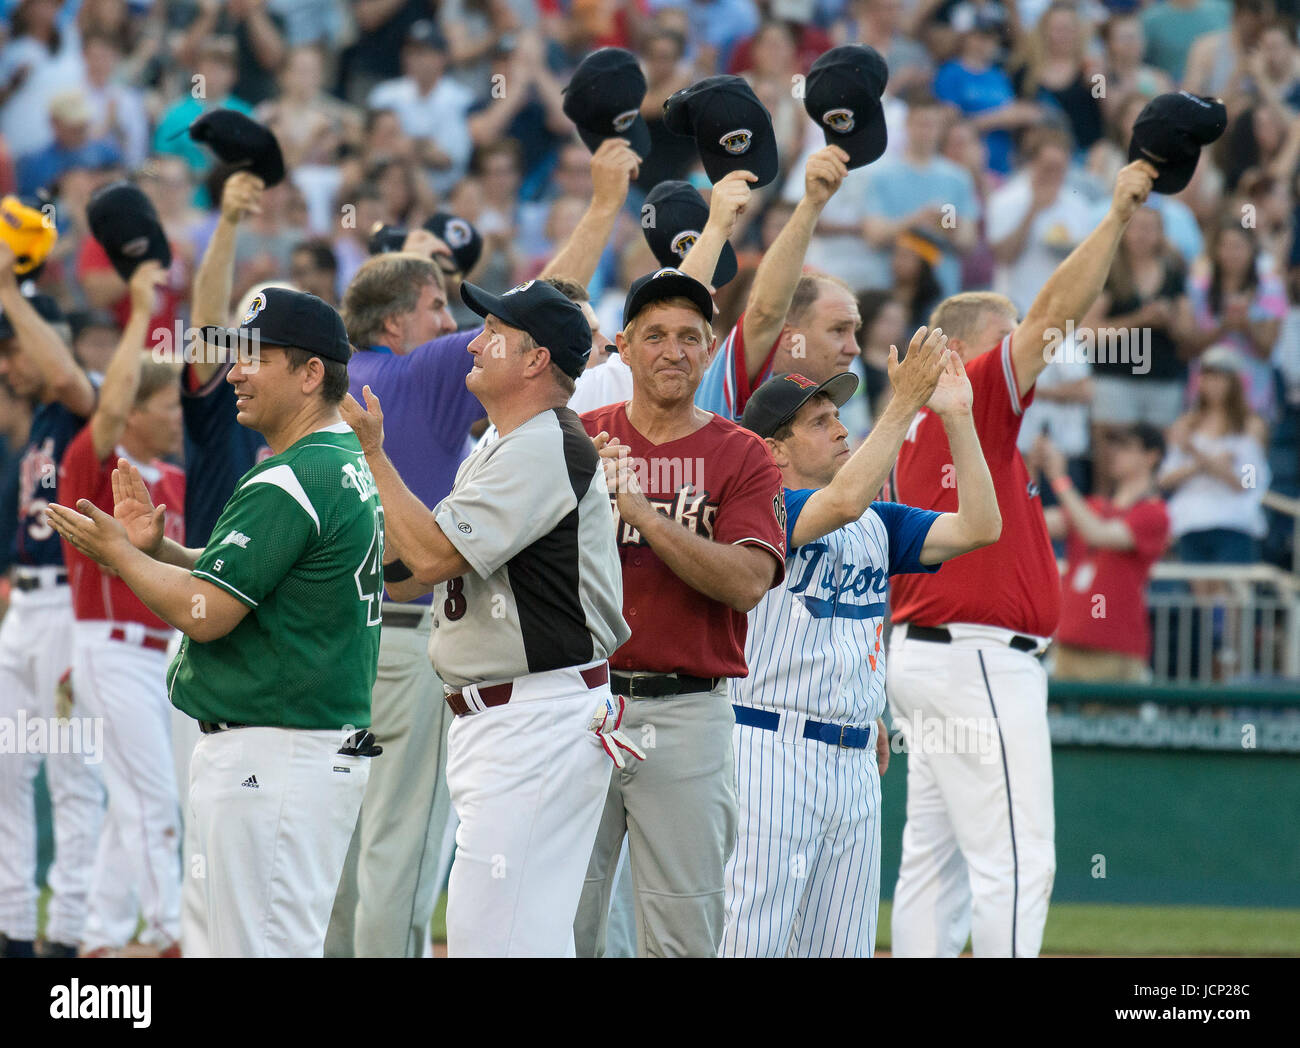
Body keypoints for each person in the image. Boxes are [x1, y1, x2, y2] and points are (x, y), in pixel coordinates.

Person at [48, 287, 385, 958]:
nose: (234, 371)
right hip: (300, 750)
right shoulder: (337, 463)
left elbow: (207, 613)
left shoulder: (292, 477)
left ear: (311, 373)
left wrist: (117, 554)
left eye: (255, 357)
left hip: (275, 752)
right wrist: (158, 551)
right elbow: (262, 572)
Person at [885, 159, 1156, 958]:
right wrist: (1113, 218)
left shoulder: (934, 428)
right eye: (1003, 345)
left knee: (934, 867)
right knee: (1015, 860)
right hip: (976, 659)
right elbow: (1051, 319)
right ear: (964, 351)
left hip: (932, 656)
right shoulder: (965, 393)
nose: (1025, 359)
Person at [340, 278, 631, 957]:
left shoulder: (543, 442)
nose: (472, 340)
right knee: (518, 936)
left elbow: (435, 555)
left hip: (534, 715)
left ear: (534, 360)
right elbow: (411, 565)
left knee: (491, 937)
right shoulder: (511, 443)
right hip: (519, 715)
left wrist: (376, 456)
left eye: (493, 332)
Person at [723, 325, 1002, 958]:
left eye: (838, 415)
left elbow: (981, 526)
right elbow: (843, 503)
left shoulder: (876, 523)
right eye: (819, 422)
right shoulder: (760, 510)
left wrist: (956, 416)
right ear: (773, 449)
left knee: (840, 948)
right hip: (769, 749)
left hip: (853, 761)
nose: (841, 429)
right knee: (749, 941)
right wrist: (902, 403)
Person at [575, 267, 788, 957]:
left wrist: (638, 511)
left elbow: (749, 581)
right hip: (578, 705)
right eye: (656, 335)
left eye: (690, 337)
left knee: (683, 929)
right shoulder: (578, 437)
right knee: (560, 920)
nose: (673, 350)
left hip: (685, 710)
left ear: (711, 348)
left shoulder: (743, 453)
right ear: (624, 347)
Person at [324, 251, 482, 960]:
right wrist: (604, 205)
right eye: (437, 307)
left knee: (340, 835)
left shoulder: (320, 387)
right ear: (394, 323)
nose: (451, 324)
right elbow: (535, 325)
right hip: (405, 634)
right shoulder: (420, 373)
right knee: (404, 837)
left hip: (325, 639)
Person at [56, 261, 186, 958]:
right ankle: (168, 932)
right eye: (166, 406)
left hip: (157, 654)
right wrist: (142, 310)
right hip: (107, 646)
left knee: (130, 804)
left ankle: (100, 937)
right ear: (135, 408)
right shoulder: (94, 459)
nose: (177, 417)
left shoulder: (176, 479)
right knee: (151, 800)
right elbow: (107, 409)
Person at [0, 250, 101, 959]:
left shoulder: (79, 398)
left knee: (69, 776)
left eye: (13, 349)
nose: (8, 365)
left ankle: (65, 934)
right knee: (8, 773)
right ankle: (11, 928)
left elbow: (67, 375)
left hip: (70, 608)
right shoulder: (34, 425)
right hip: (27, 612)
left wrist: (10, 287)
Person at [691, 147, 858, 421]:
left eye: (853, 330)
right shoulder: (737, 381)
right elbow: (766, 312)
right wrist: (812, 203)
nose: (854, 347)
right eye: (838, 330)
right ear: (790, 338)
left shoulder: (830, 413)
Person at [1039, 425, 1171, 683]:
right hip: (1068, 643)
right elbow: (1036, 522)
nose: (1115, 453)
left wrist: (1059, 479)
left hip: (1115, 648)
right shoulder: (1092, 506)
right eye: (1115, 446)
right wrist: (1029, 472)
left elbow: (1097, 533)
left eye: (1127, 447)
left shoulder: (1154, 513)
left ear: (1151, 456)